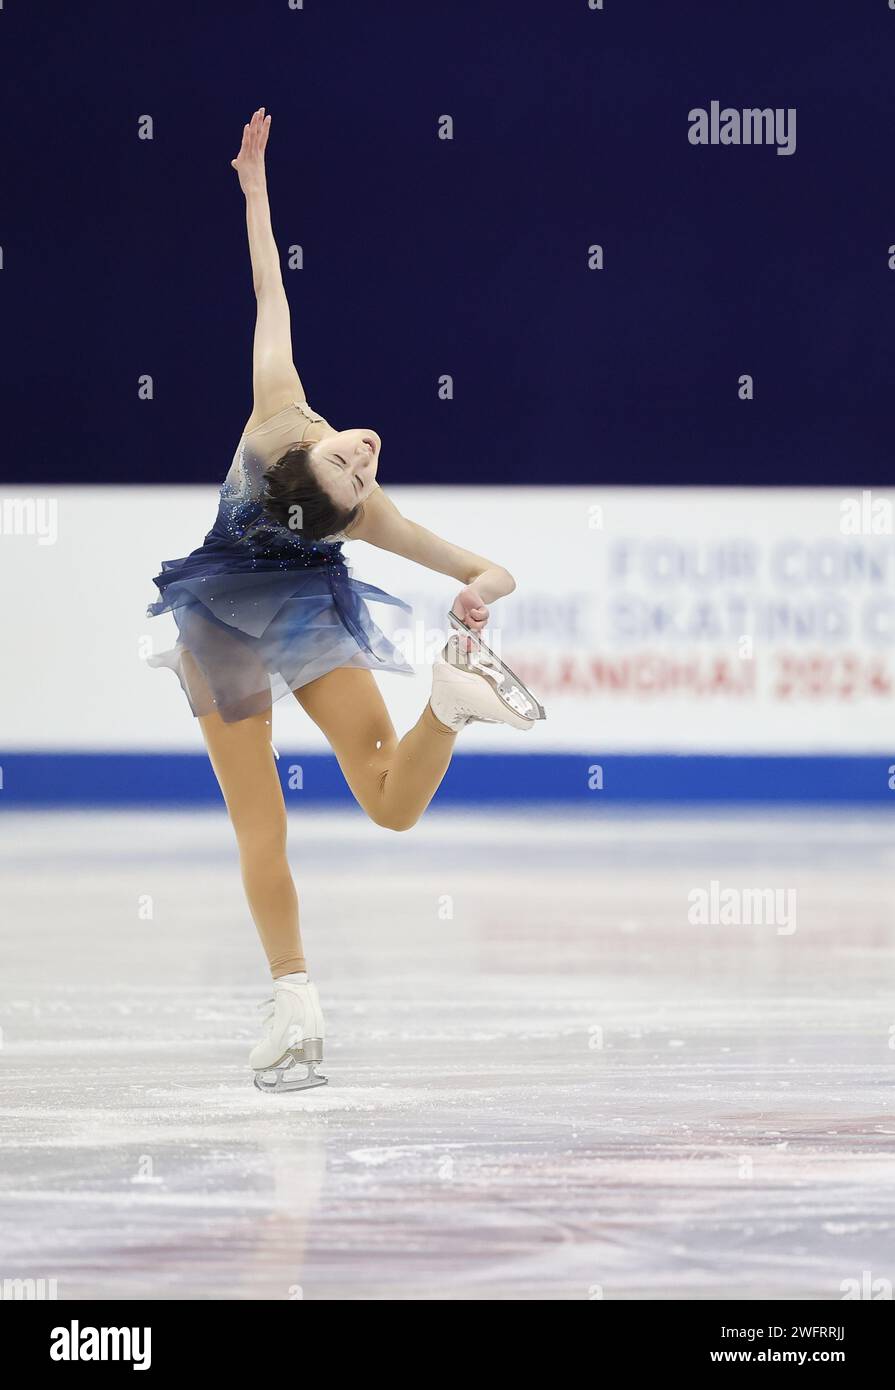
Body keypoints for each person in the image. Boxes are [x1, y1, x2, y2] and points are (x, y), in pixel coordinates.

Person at [147, 109, 544, 1092]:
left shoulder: (282, 417)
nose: (364, 459)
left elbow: (268, 289)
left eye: (357, 466)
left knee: (344, 811)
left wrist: (252, 190)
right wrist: (476, 589)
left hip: (232, 619)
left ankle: (293, 993)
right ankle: (443, 710)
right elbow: (471, 561)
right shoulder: (336, 494)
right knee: (319, 813)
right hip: (233, 620)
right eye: (356, 471)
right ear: (324, 500)